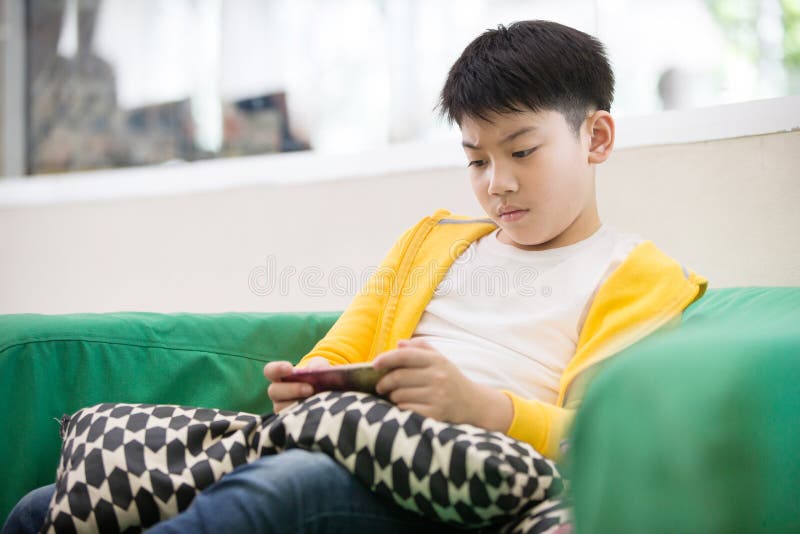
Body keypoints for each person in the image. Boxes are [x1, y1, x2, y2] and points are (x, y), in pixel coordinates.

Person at [3, 20, 706, 534]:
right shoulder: (431, 243)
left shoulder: (635, 274)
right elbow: (338, 354)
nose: (498, 183)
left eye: (522, 151)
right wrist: (306, 381)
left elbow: (606, 440)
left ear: (597, 138)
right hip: (351, 442)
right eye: (475, 159)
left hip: (465, 480)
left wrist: (479, 406)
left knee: (291, 487)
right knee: (42, 507)